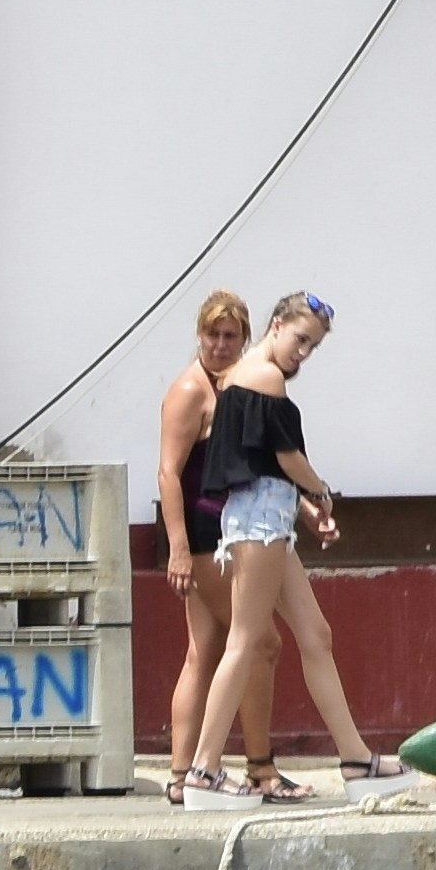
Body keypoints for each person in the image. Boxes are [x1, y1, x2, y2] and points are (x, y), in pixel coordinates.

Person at [174, 293, 411, 802]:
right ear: (276, 324)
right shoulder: (264, 377)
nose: (303, 352)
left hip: (266, 518)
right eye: (300, 339)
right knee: (244, 639)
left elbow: (258, 461)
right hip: (259, 524)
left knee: (315, 634)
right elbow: (286, 456)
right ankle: (203, 771)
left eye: (313, 346)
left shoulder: (241, 374)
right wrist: (321, 493)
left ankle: (354, 758)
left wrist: (304, 508)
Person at [154, 293, 278, 789]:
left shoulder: (240, 383)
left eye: (231, 337)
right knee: (262, 643)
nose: (221, 346)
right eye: (213, 335)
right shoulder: (190, 389)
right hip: (206, 536)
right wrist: (178, 549)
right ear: (199, 335)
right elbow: (168, 473)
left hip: (231, 529)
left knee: (203, 652)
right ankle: (260, 765)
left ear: (245, 339)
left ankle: (181, 776)